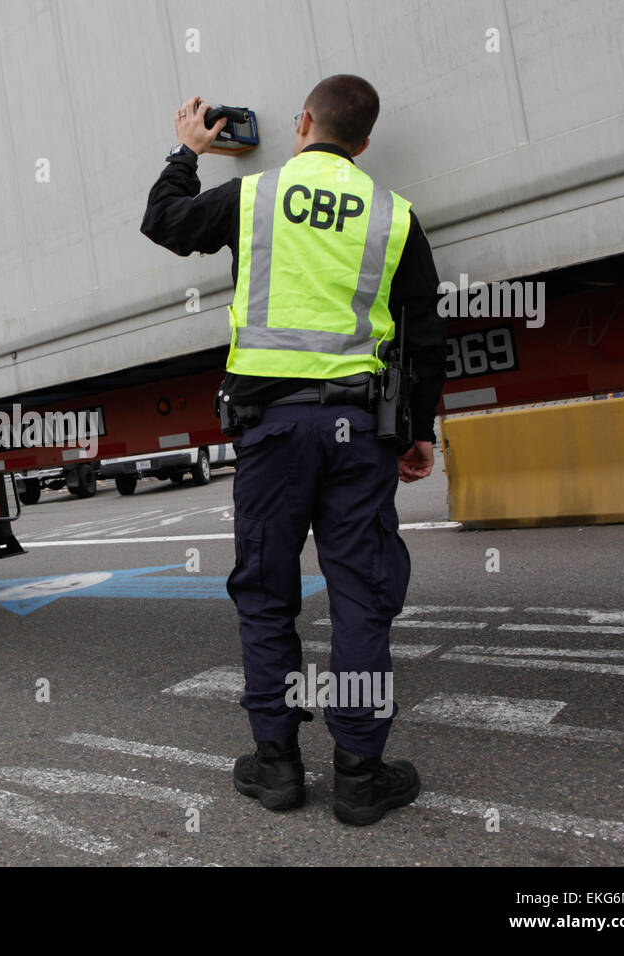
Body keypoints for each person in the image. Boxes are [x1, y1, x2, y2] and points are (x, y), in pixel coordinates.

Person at [141, 75, 446, 826]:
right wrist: (417, 431)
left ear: (303, 122)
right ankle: (358, 775)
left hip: (271, 430)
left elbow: (165, 223)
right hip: (357, 431)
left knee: (267, 595)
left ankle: (276, 767)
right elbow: (424, 339)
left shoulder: (255, 197)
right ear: (365, 143)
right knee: (361, 599)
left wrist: (188, 152)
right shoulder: (393, 215)